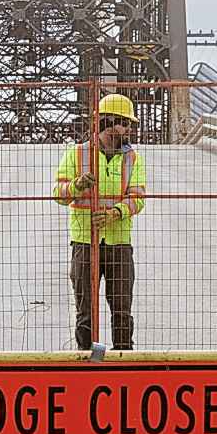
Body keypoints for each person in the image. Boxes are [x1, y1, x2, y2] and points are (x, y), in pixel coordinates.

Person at [53, 94, 147, 351]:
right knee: (86, 312)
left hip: (119, 244)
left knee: (122, 311)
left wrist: (116, 212)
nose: (128, 129)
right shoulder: (77, 154)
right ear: (108, 122)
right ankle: (89, 360)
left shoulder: (133, 158)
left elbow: (138, 198)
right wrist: (77, 185)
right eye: (124, 123)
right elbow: (58, 194)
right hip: (85, 242)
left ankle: (122, 362)